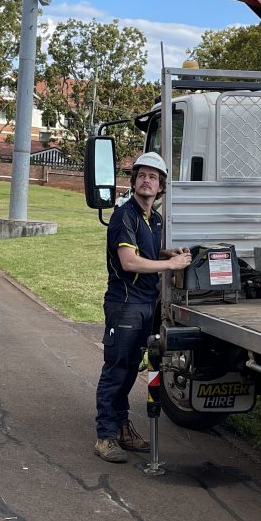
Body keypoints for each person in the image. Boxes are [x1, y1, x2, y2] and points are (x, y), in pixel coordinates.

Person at [94, 152, 191, 463]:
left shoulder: (154, 218)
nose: (147, 180)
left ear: (160, 187)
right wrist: (171, 264)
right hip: (125, 305)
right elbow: (129, 260)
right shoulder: (125, 216)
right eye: (142, 175)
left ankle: (122, 428)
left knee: (130, 370)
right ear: (134, 182)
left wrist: (167, 251)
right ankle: (106, 436)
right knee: (116, 371)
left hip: (146, 304)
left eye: (153, 176)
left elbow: (145, 247)